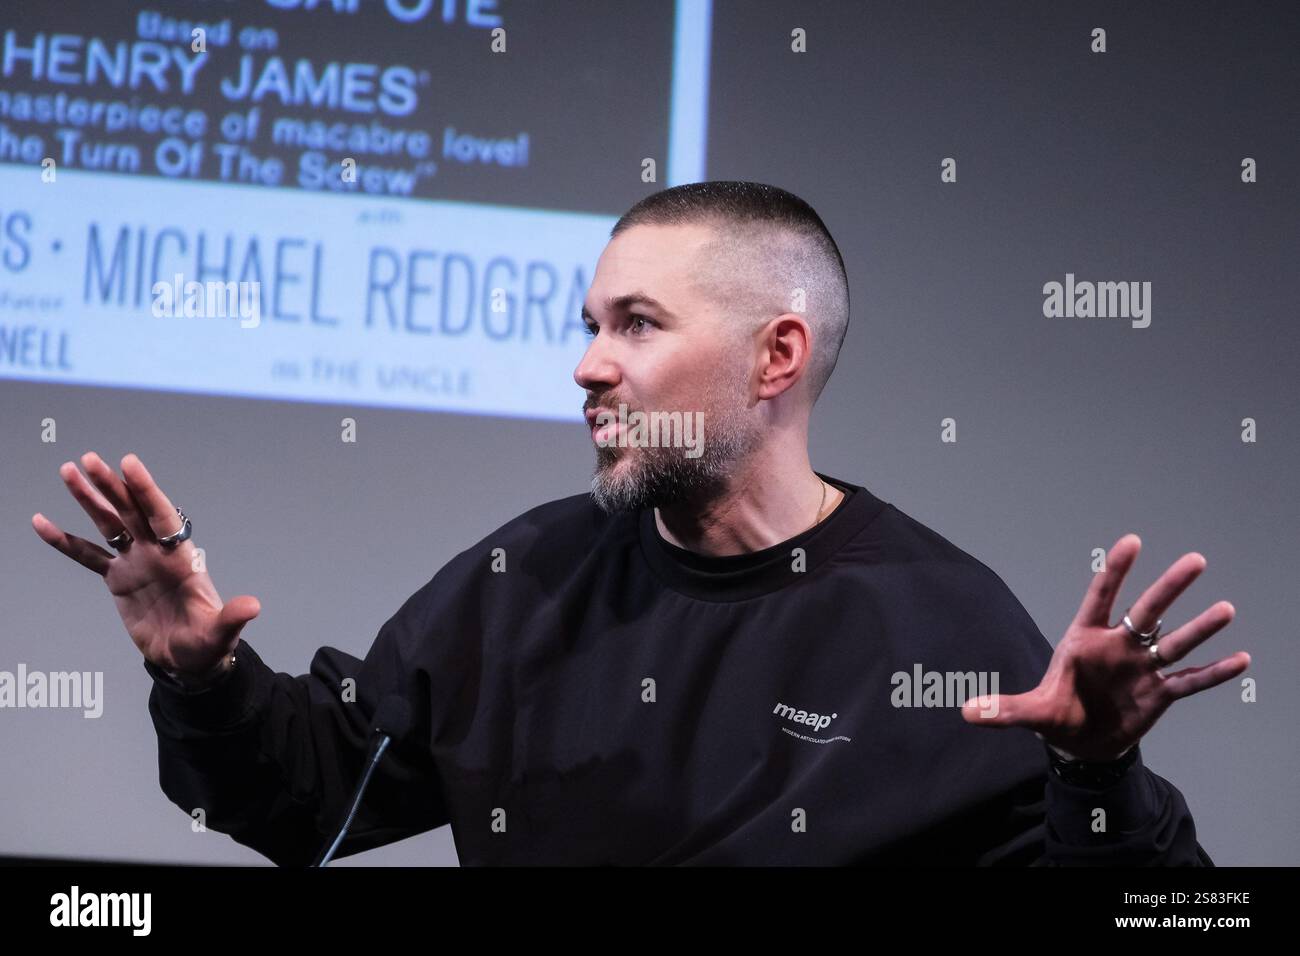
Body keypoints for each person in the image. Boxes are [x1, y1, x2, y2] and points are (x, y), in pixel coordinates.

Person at [32, 181, 1249, 866]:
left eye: (636, 325)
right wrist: (204, 677)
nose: (586, 367)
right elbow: (309, 802)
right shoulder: (524, 580)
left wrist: (1097, 774)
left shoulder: (939, 618)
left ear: (776, 355)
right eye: (588, 323)